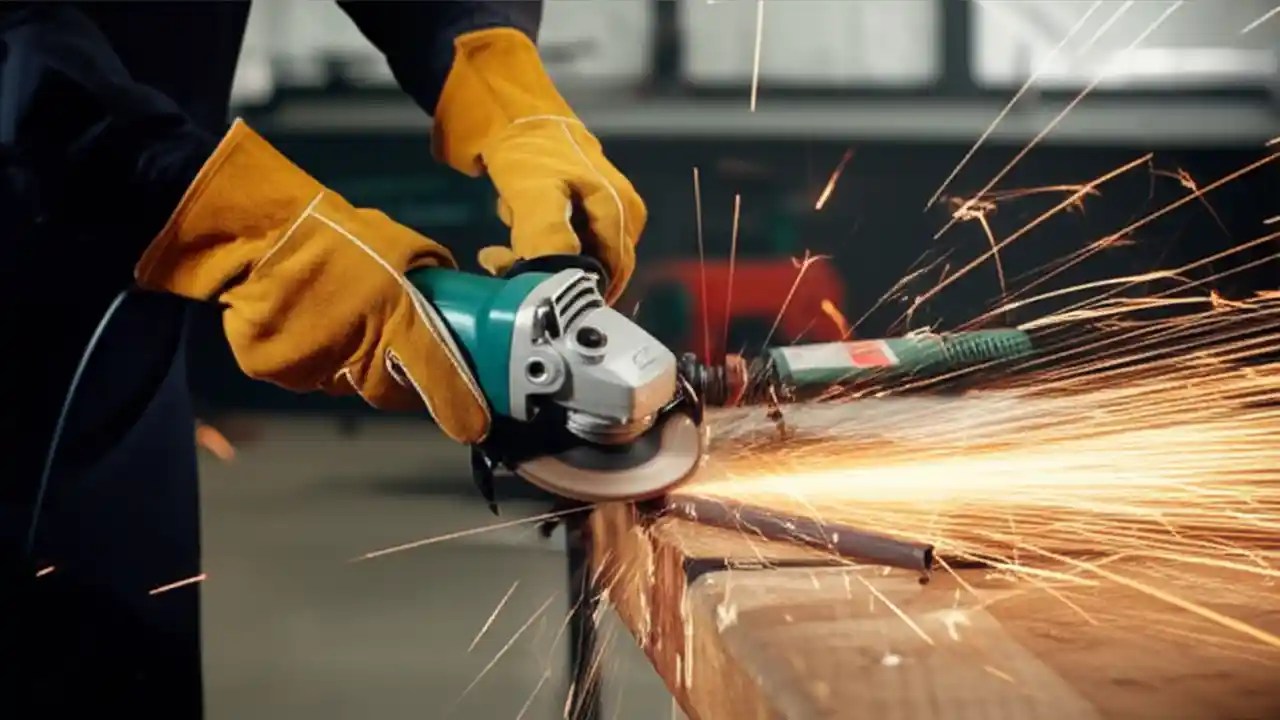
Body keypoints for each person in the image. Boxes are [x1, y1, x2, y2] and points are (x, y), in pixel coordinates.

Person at [0, 1, 645, 713]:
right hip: (55, 196)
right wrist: (229, 219)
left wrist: (488, 61)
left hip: (123, 338)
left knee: (120, 656)